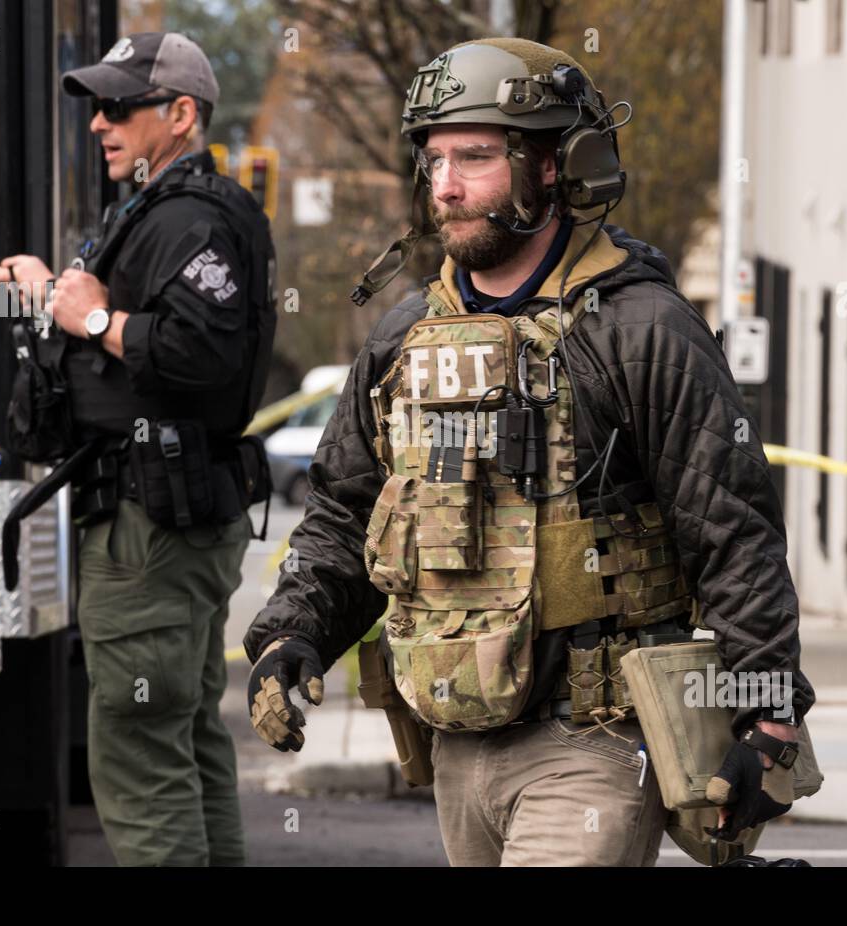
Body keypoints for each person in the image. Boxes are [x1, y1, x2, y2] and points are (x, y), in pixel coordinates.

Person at [243, 38, 813, 866]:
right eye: (434, 159)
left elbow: (731, 529)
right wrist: (288, 636)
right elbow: (344, 512)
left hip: (597, 745)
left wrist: (767, 713)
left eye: (474, 157)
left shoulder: (641, 328)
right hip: (455, 748)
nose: (445, 185)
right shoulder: (405, 338)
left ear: (554, 165)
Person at [0, 32, 277, 866]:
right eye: (97, 108)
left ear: (180, 115)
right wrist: (61, 295)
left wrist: (91, 319)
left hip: (150, 531)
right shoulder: (170, 211)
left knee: (141, 759)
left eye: (119, 108)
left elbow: (199, 355)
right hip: (167, 517)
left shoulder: (191, 217)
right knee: (184, 739)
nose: (98, 125)